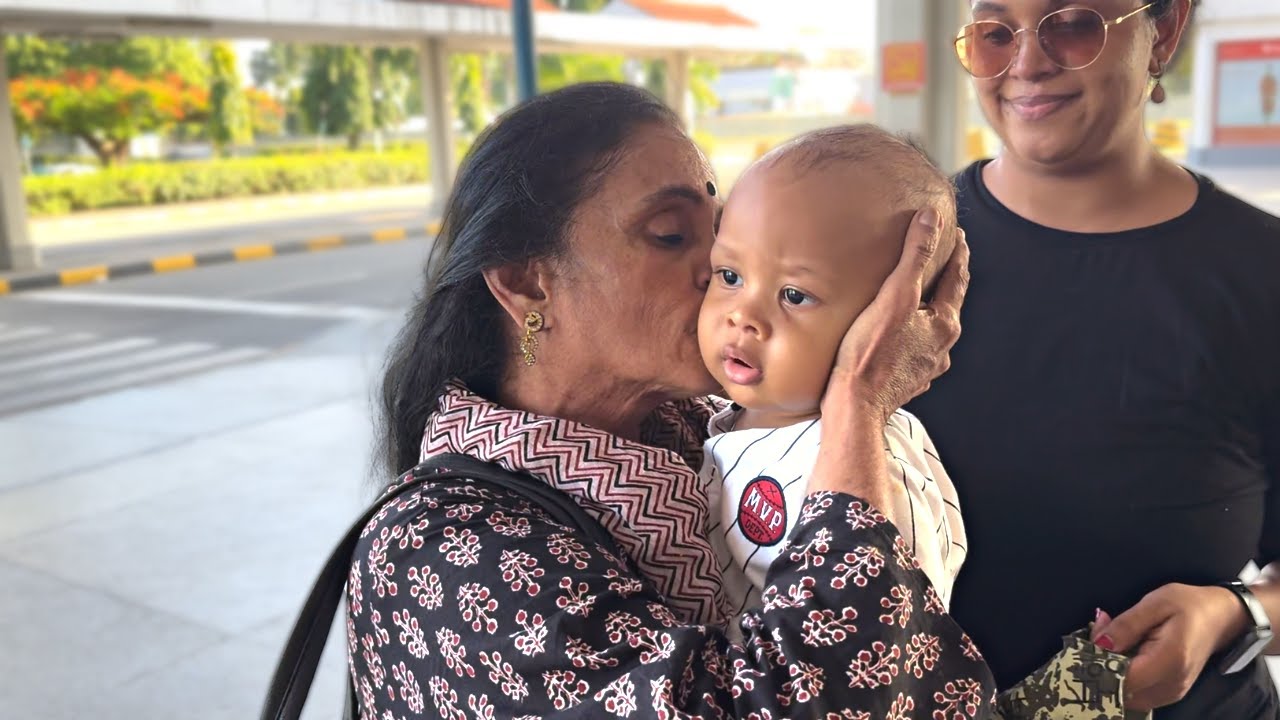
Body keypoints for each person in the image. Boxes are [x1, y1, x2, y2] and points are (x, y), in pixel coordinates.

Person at [348, 82, 995, 718]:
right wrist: (857, 399)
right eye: (668, 234)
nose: (715, 266)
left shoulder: (701, 433)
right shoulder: (437, 554)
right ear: (526, 282)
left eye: (715, 230)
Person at [910, 1, 1280, 717]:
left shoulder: (1262, 275)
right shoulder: (901, 249)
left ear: (1163, 31)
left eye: (1071, 21)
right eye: (995, 33)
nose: (1025, 63)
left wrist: (1237, 614)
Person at [697, 125, 968, 633]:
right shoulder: (721, 418)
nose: (743, 317)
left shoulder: (872, 471)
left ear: (892, 326)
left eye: (795, 295)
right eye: (729, 276)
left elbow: (894, 638)